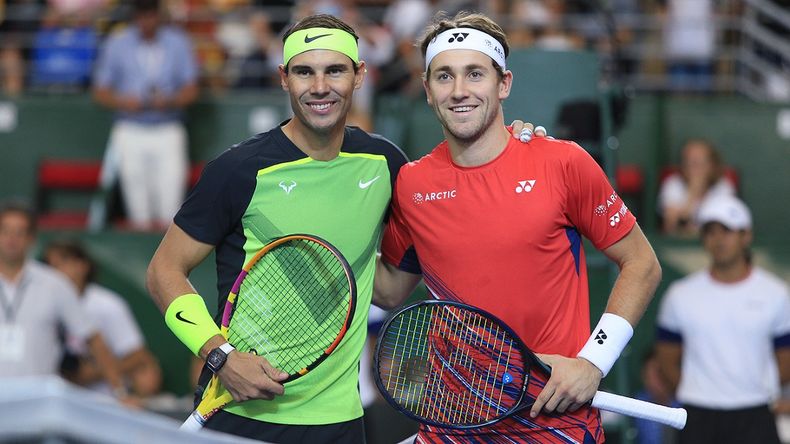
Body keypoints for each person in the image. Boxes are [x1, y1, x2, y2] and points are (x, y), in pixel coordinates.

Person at [145, 13, 542, 442]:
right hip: (238, 412)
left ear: (359, 76)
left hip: (341, 423)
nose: (319, 87)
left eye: (335, 70)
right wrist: (219, 356)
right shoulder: (238, 170)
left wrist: (510, 141)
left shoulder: (386, 163)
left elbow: (388, 290)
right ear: (284, 78)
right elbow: (164, 271)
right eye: (304, 72)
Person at [373, 11, 661, 443]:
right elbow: (391, 289)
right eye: (444, 77)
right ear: (428, 92)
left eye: (475, 74)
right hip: (451, 424)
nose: (459, 91)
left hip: (555, 424)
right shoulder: (412, 184)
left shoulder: (563, 163)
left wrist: (593, 362)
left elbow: (642, 263)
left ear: (503, 83)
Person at [655, 195, 790, 444]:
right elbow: (666, 360)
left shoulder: (776, 294)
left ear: (746, 235)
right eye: (710, 231)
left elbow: (786, 359)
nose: (718, 239)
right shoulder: (680, 295)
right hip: (697, 415)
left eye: (726, 230)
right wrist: (703, 392)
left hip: (756, 413)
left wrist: (751, 389)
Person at [0, 201, 128, 399]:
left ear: (31, 238)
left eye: (19, 232)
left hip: (38, 399)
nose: (11, 240)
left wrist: (121, 393)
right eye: (5, 231)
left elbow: (94, 338)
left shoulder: (54, 284)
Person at [93, 0, 198, 231]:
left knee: (172, 201)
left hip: (168, 126)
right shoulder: (117, 43)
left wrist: (169, 101)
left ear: (158, 15)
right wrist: (123, 101)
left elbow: (191, 89)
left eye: (150, 14)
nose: (146, 20)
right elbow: (100, 91)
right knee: (137, 203)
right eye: (141, 14)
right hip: (129, 128)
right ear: (134, 16)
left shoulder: (177, 42)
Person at [42, 239, 162, 399]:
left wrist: (94, 373)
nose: (56, 272)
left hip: (103, 399)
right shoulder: (42, 304)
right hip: (55, 398)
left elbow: (139, 358)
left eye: (62, 263)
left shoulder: (106, 305)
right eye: (51, 266)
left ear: (82, 266)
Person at [658, 138, 736, 236]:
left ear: (712, 165)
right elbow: (671, 227)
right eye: (690, 162)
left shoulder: (723, 187)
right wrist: (693, 193)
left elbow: (724, 228)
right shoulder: (673, 184)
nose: (695, 168)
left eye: (700, 163)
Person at [634, 347, 679, 444]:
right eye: (656, 372)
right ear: (644, 376)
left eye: (663, 371)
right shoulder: (635, 405)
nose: (661, 376)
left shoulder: (685, 403)